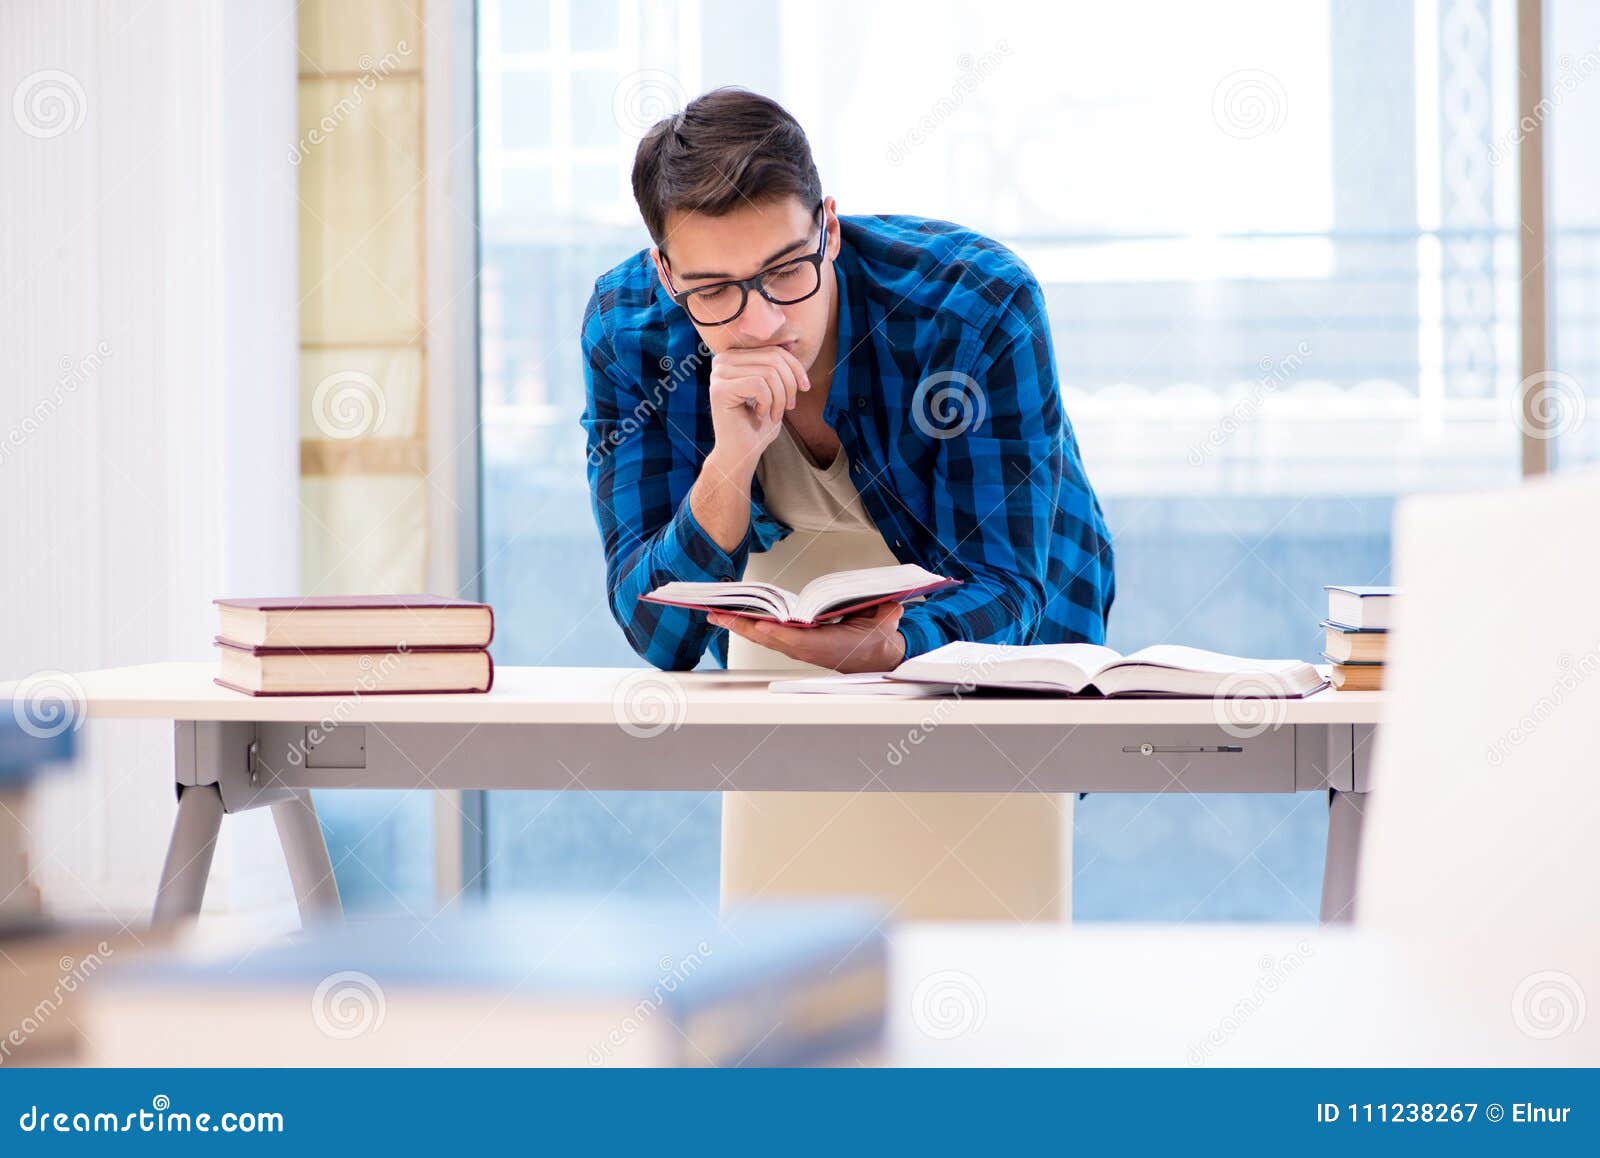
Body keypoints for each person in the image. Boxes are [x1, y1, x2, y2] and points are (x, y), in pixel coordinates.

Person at [580, 87, 1114, 920]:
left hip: (981, 590)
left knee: (997, 911)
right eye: (714, 289)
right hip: (788, 596)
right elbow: (658, 632)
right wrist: (731, 461)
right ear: (664, 272)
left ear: (827, 225)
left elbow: (1009, 584)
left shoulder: (972, 305)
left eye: (787, 270)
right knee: (789, 908)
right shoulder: (632, 330)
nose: (760, 322)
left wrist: (891, 649)